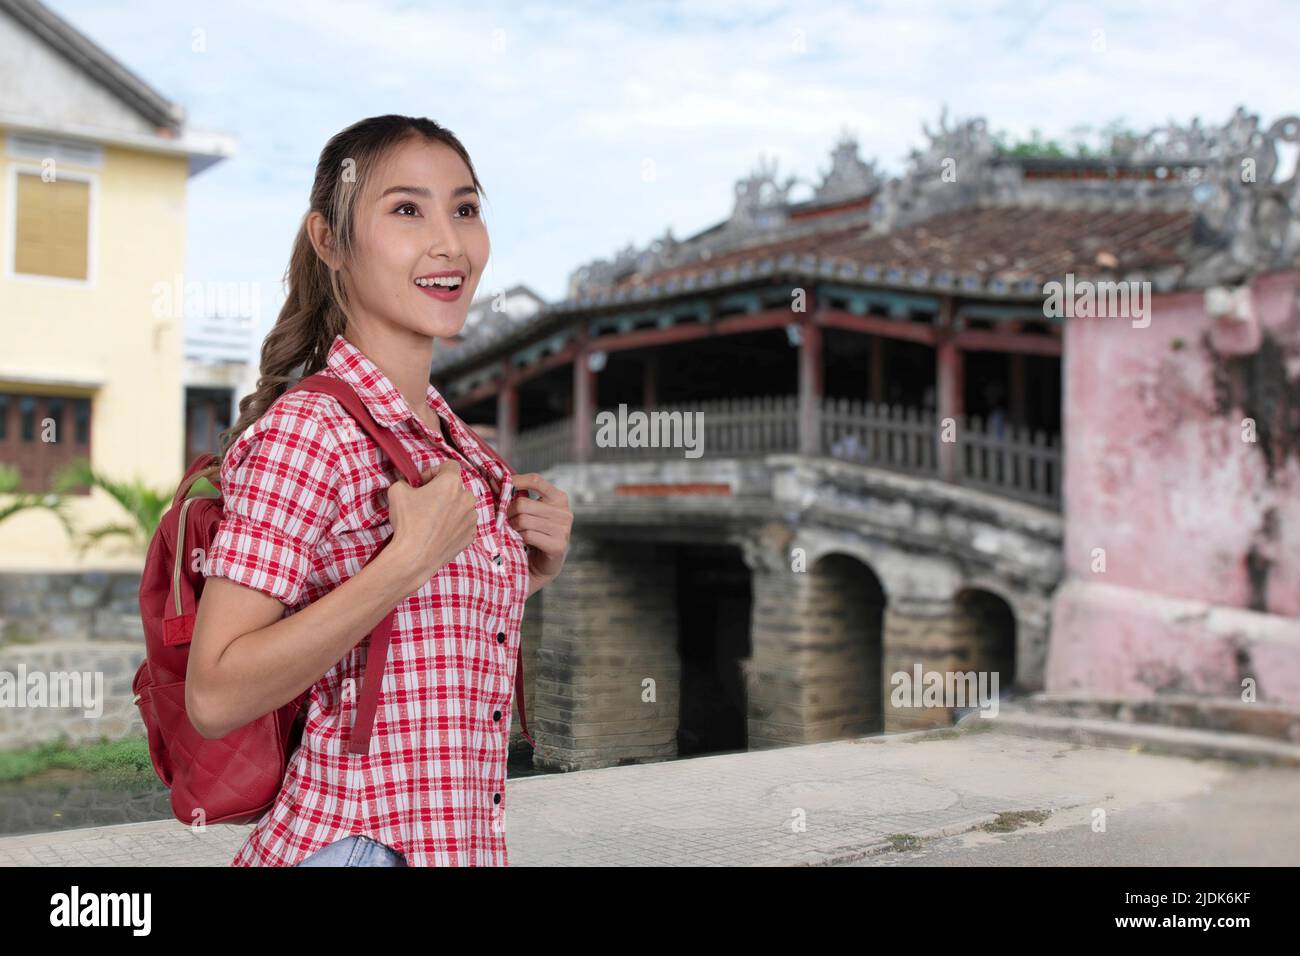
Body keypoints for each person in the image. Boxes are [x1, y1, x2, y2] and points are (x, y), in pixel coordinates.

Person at [186, 115, 573, 866]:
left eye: (464, 208)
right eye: (407, 209)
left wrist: (523, 574)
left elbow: (410, 652)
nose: (450, 244)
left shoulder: (456, 442)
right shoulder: (311, 432)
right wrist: (407, 560)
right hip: (358, 845)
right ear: (330, 241)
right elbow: (215, 693)